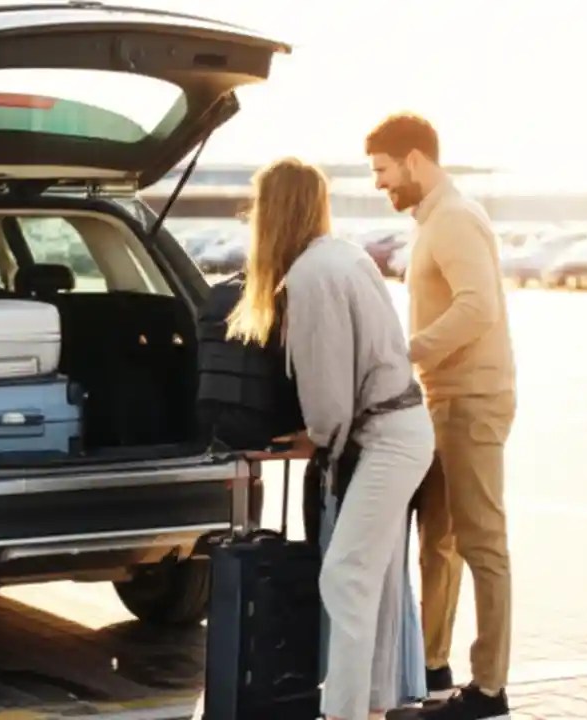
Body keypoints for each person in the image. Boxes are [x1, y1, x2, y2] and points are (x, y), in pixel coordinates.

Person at [228, 157, 435, 720]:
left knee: (345, 574)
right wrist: (323, 435)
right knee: (376, 578)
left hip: (386, 437)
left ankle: (342, 713)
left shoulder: (311, 276)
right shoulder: (341, 255)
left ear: (271, 213)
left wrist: (312, 437)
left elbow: (330, 397)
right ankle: (370, 705)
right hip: (401, 429)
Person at [365, 113, 517, 720]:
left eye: (383, 170)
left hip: (471, 400)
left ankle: (488, 690)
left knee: (482, 543)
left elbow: (478, 308)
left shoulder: (454, 219)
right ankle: (433, 671)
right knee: (439, 540)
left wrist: (407, 353)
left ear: (414, 160)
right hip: (443, 399)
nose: (380, 184)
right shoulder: (437, 220)